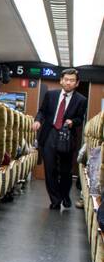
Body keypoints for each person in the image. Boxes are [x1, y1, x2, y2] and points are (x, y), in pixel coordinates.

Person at [34, 68, 88, 211]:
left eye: (72, 80)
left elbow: (79, 119)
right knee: (50, 169)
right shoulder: (51, 95)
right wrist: (38, 121)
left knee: (65, 172)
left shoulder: (81, 100)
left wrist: (72, 122)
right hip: (49, 134)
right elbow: (42, 112)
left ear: (77, 83)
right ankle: (55, 200)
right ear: (61, 80)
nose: (68, 82)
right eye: (66, 79)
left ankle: (65, 194)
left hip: (66, 136)